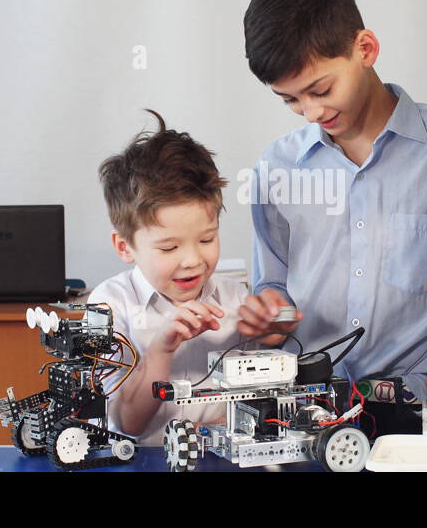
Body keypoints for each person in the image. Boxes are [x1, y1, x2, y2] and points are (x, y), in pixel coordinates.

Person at [238, 0, 427, 432]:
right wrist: (271, 316)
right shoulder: (276, 165)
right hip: (307, 411)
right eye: (291, 101)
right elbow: (274, 281)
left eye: (321, 89)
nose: (312, 111)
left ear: (365, 48)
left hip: (422, 403)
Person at [90, 110, 291, 445]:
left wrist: (278, 327)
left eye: (207, 239)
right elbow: (127, 424)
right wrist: (159, 351)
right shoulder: (110, 306)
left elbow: (264, 397)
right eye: (169, 247)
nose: (193, 260)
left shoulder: (236, 300)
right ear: (125, 247)